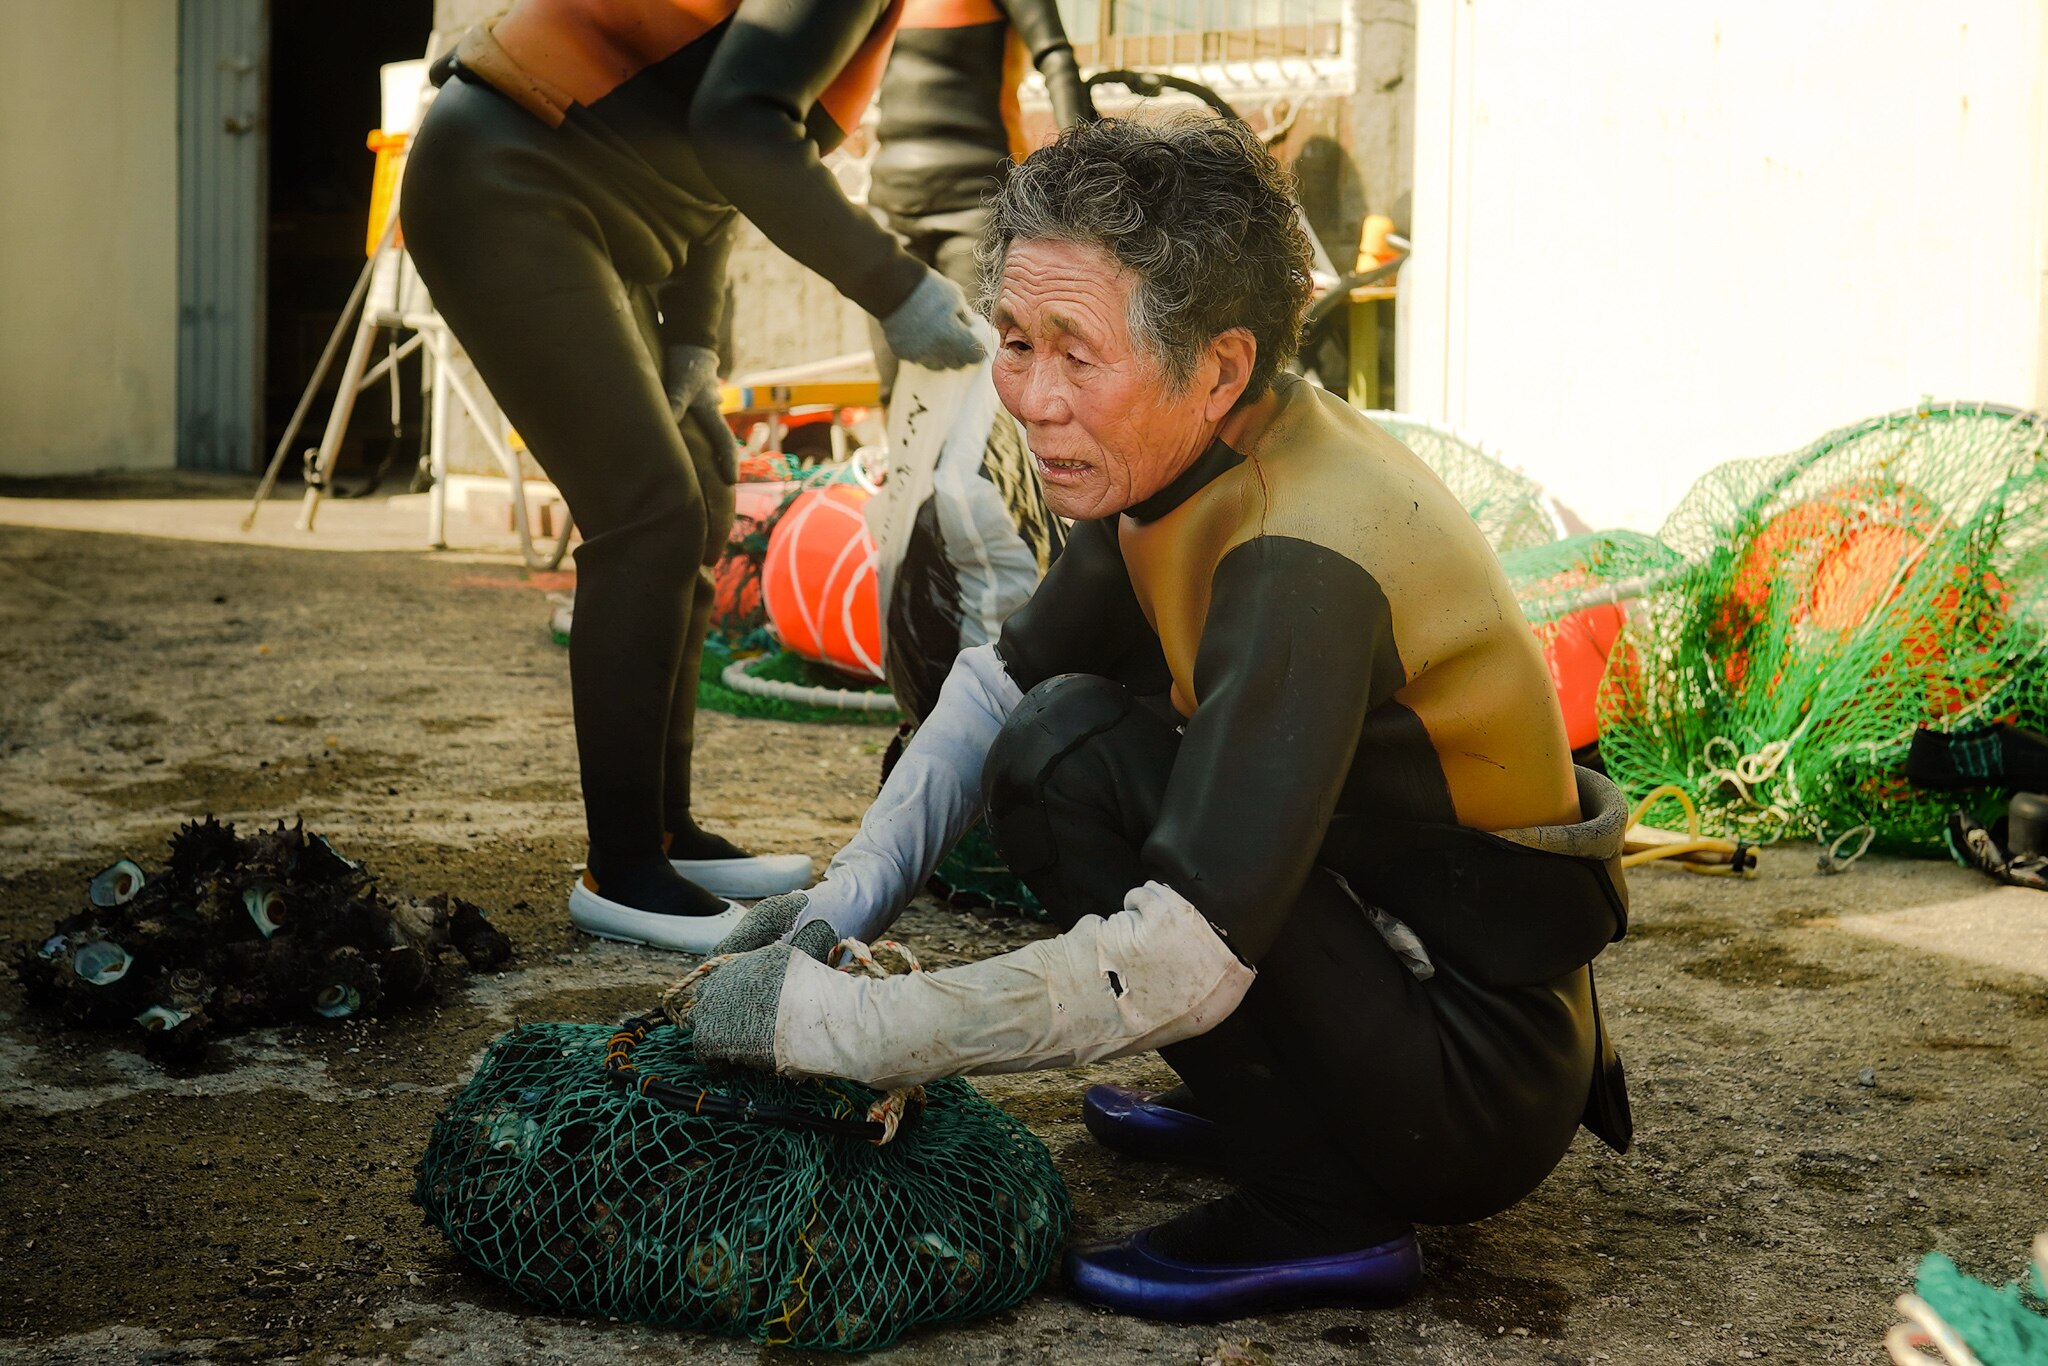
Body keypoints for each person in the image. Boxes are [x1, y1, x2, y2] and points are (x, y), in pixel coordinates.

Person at [682, 115, 1632, 1321]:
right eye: (1014, 341)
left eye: (1075, 353)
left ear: (1220, 365)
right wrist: (834, 909)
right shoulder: (1184, 451)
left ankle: (1326, 1205)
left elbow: (1179, 959)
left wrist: (846, 1026)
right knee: (1054, 740)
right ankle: (1276, 1095)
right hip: (1383, 952)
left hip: (1471, 1081)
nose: (1028, 395)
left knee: (1072, 757)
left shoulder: (1301, 554)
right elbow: (995, 692)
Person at [401, 0, 985, 954]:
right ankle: (620, 869)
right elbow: (738, 129)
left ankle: (665, 832)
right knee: (646, 517)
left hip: (603, 219)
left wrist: (695, 346)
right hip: (508, 177)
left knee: (704, 485)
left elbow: (715, 164)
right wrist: (896, 286)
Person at [865, 0, 1092, 405]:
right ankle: (901, 466)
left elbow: (1056, 57)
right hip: (887, 205)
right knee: (894, 386)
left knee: (981, 378)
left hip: (976, 206)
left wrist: (1093, 167)